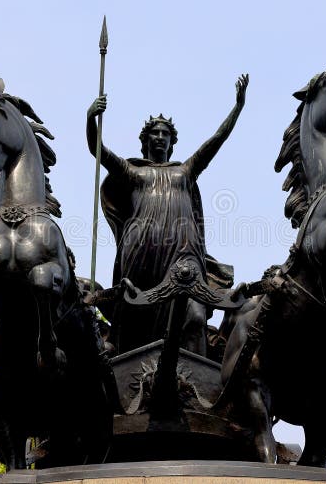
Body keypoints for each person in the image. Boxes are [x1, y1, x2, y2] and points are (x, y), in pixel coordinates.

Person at [86, 74, 248, 354]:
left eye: (165, 134)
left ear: (172, 143)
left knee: (194, 316)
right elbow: (98, 150)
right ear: (145, 140)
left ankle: (194, 371)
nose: (160, 137)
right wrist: (90, 118)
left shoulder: (185, 171)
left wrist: (237, 107)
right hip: (141, 256)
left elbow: (216, 141)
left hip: (183, 255)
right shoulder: (133, 172)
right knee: (137, 322)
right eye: (155, 133)